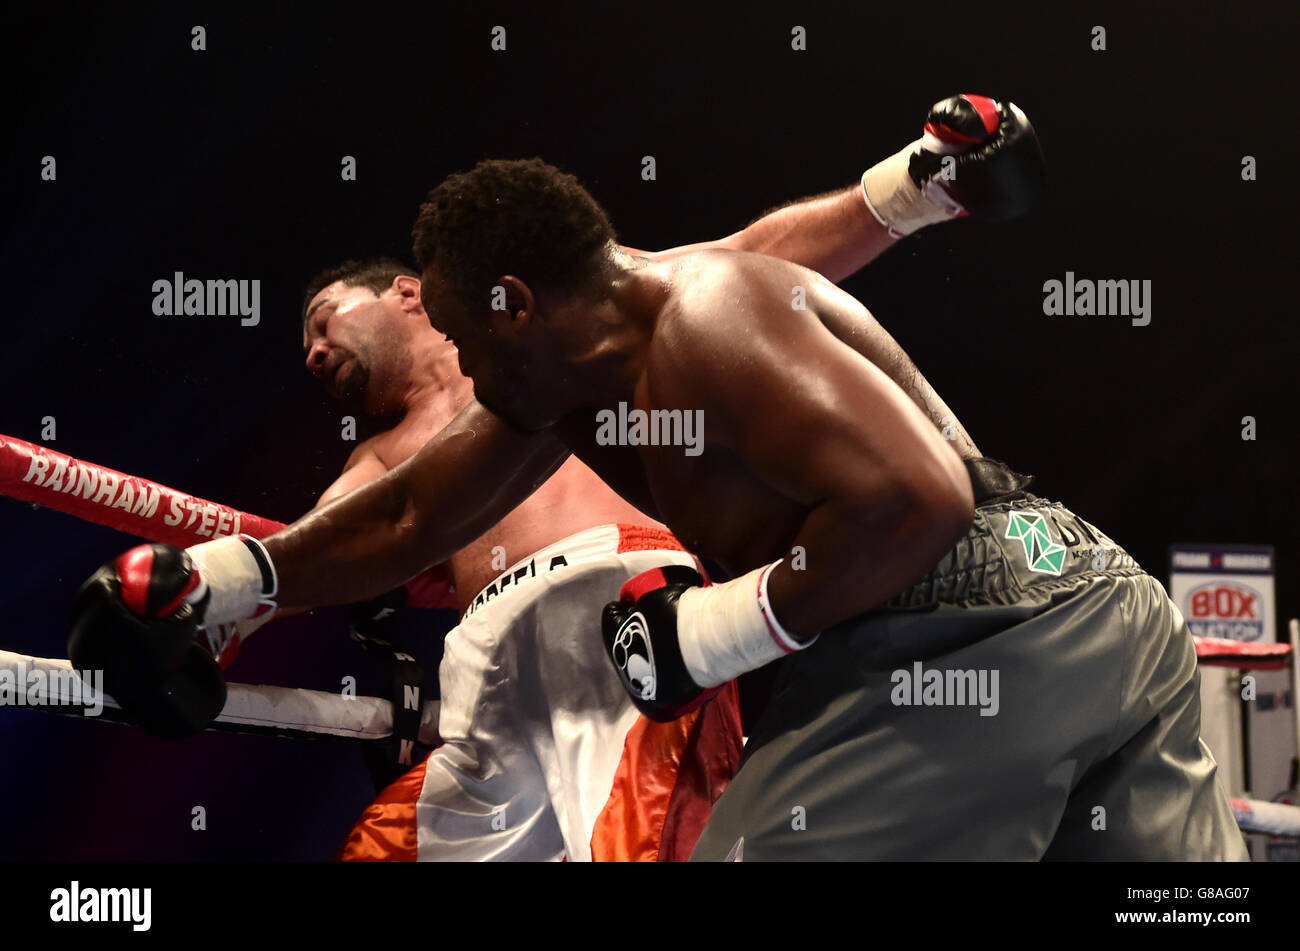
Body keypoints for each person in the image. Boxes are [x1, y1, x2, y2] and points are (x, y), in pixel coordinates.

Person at [77, 96, 1234, 860]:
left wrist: (705, 637)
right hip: (1094, 613)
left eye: (470, 344)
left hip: (965, 632)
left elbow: (913, 503)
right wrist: (225, 577)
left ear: (513, 304)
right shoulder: (586, 369)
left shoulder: (706, 314)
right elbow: (415, 512)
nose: (469, 379)